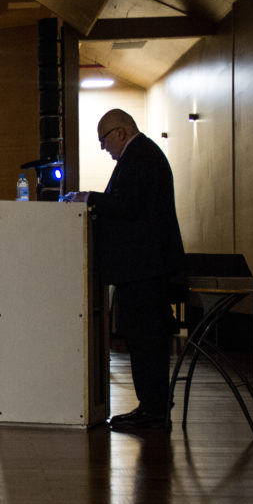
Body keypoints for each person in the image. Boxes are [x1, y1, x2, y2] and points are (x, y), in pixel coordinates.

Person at [64, 108, 185, 432]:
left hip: (145, 269)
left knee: (146, 339)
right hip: (143, 268)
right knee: (141, 338)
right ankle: (151, 405)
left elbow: (127, 205)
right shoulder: (143, 155)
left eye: (104, 141)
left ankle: (154, 410)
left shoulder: (141, 156)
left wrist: (88, 198)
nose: (105, 149)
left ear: (120, 132)